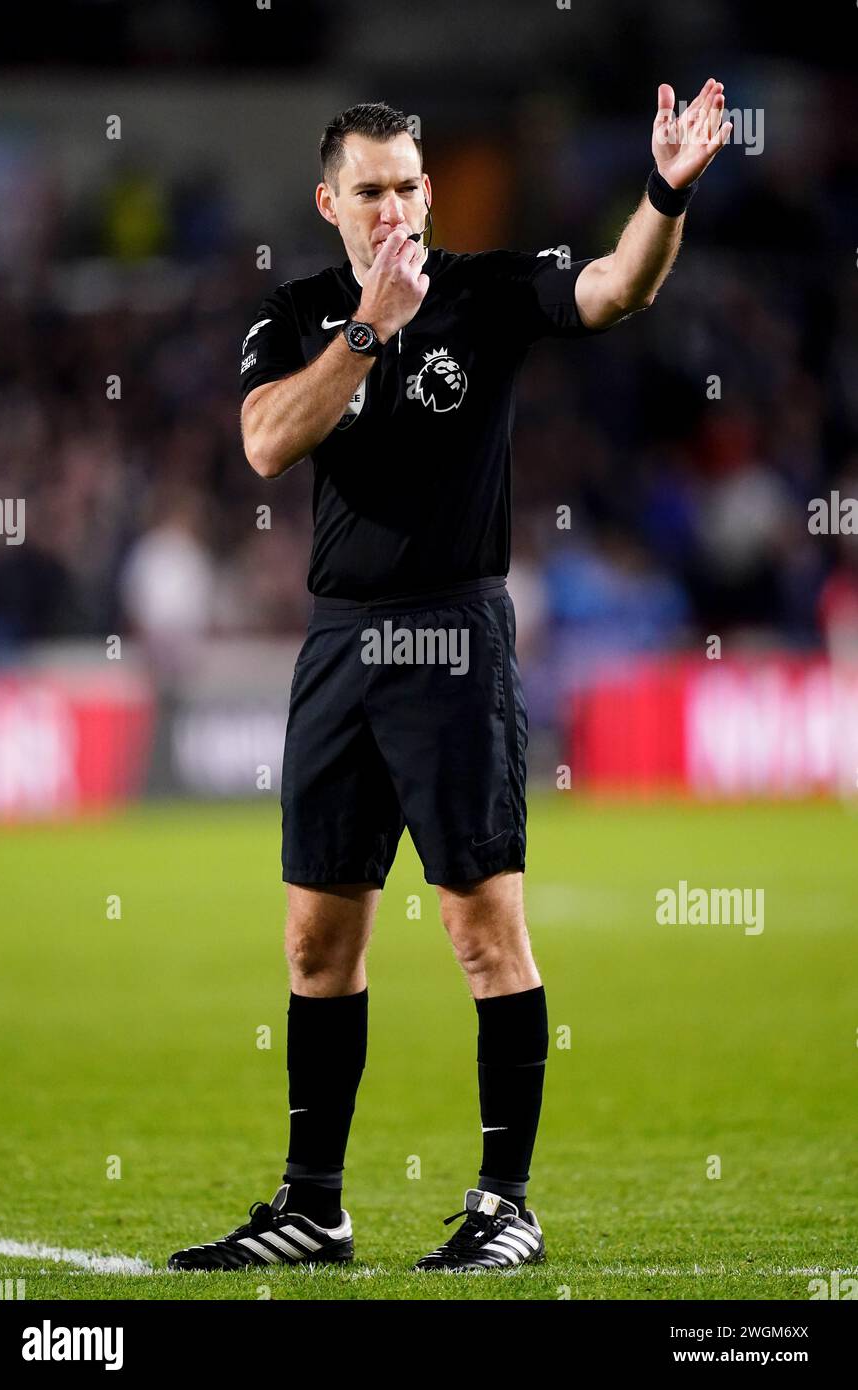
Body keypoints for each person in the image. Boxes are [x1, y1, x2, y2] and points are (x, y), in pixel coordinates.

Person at [169, 85, 730, 1275]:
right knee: (317, 944)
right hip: (338, 643)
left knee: (484, 930)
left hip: (454, 636)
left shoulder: (483, 289)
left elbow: (617, 286)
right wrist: (368, 328)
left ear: (429, 192)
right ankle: (313, 1207)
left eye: (409, 186)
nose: (394, 206)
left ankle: (504, 1203)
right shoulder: (297, 314)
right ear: (331, 202)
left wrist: (665, 190)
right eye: (369, 189)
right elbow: (269, 441)